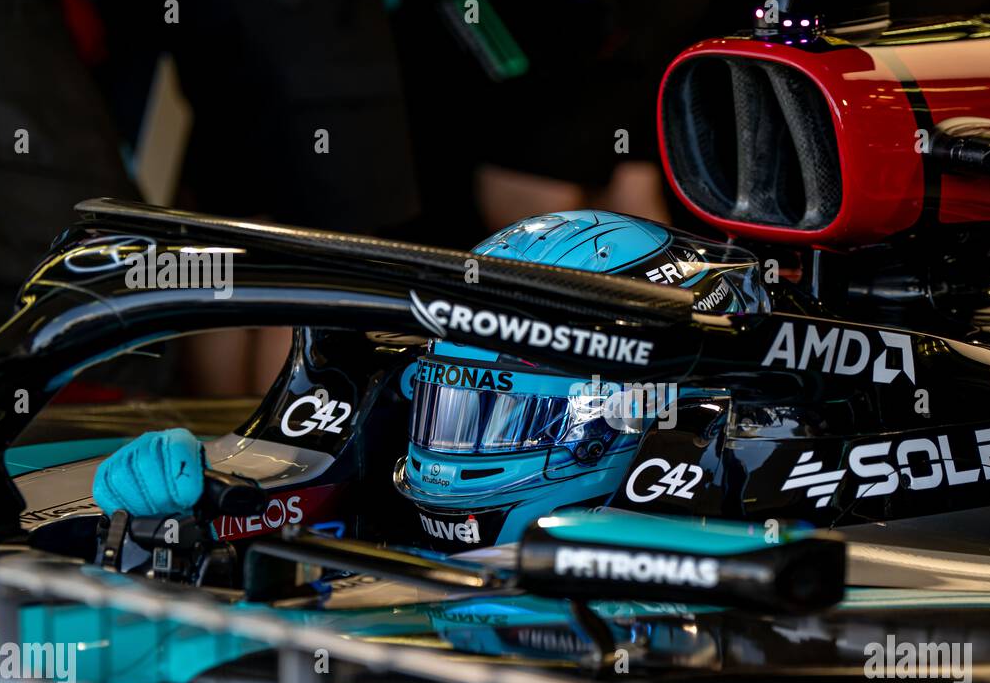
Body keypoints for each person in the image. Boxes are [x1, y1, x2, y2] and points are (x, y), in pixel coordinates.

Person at [91, 210, 767, 553]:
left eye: (506, 416)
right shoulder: (385, 495)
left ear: (630, 415)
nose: (454, 452)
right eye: (453, 407)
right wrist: (199, 508)